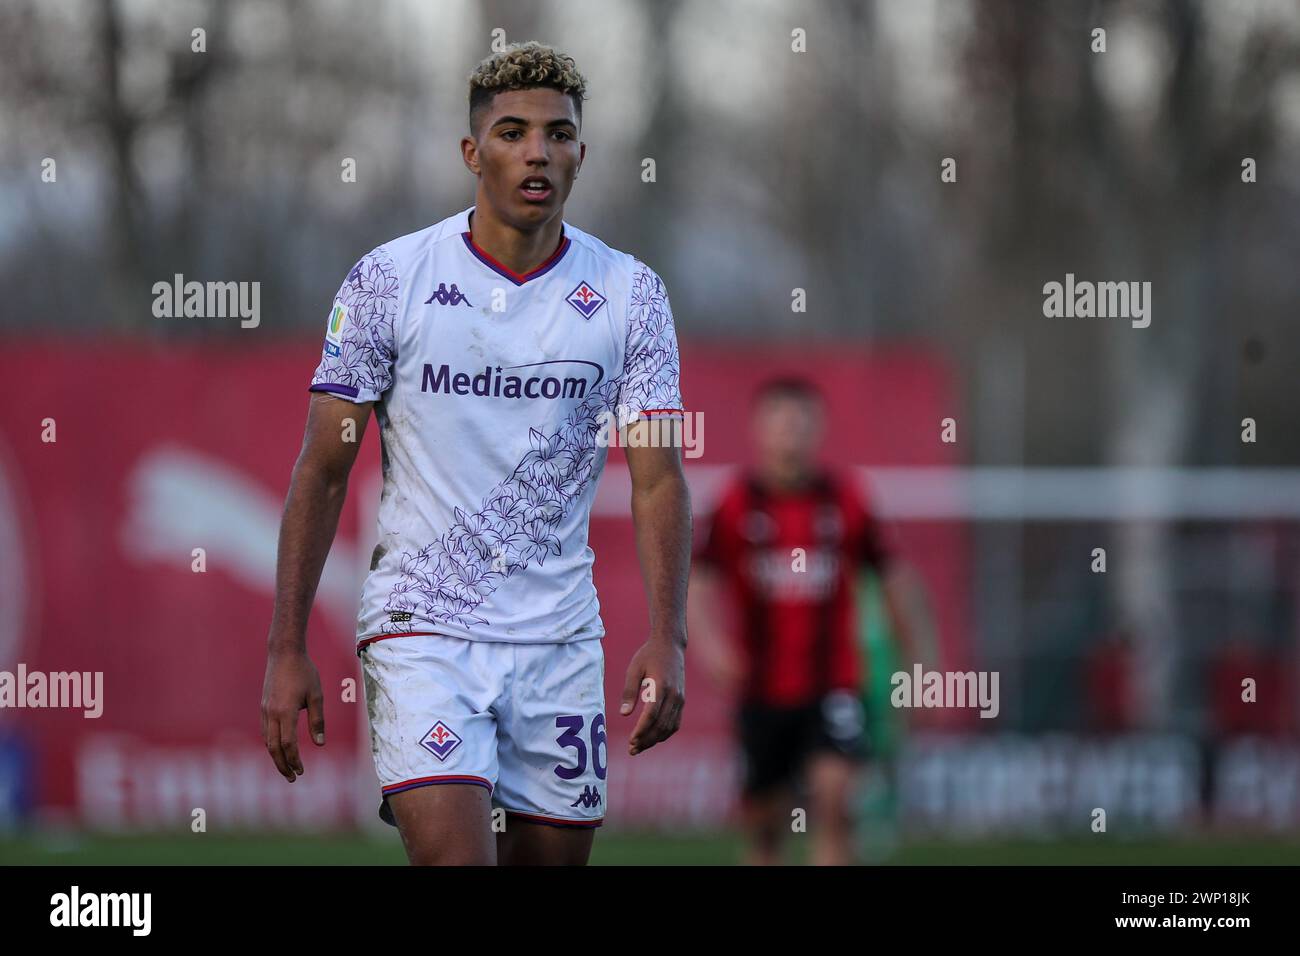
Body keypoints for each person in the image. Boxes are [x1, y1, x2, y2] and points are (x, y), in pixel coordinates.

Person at [260, 41, 690, 865]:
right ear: (472, 152)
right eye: (513, 132)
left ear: (581, 155)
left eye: (558, 135)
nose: (537, 152)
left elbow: (658, 479)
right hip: (422, 631)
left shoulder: (632, 293)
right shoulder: (391, 279)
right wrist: (285, 646)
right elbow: (321, 472)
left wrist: (667, 634)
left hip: (561, 641)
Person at [689, 377, 927, 865]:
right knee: (765, 830)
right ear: (759, 429)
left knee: (835, 805)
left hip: (834, 684)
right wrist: (710, 646)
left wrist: (919, 664)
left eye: (801, 421)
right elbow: (697, 582)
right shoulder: (735, 503)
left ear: (819, 428)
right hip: (761, 691)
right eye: (780, 420)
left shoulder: (848, 500)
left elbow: (895, 580)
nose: (790, 432)